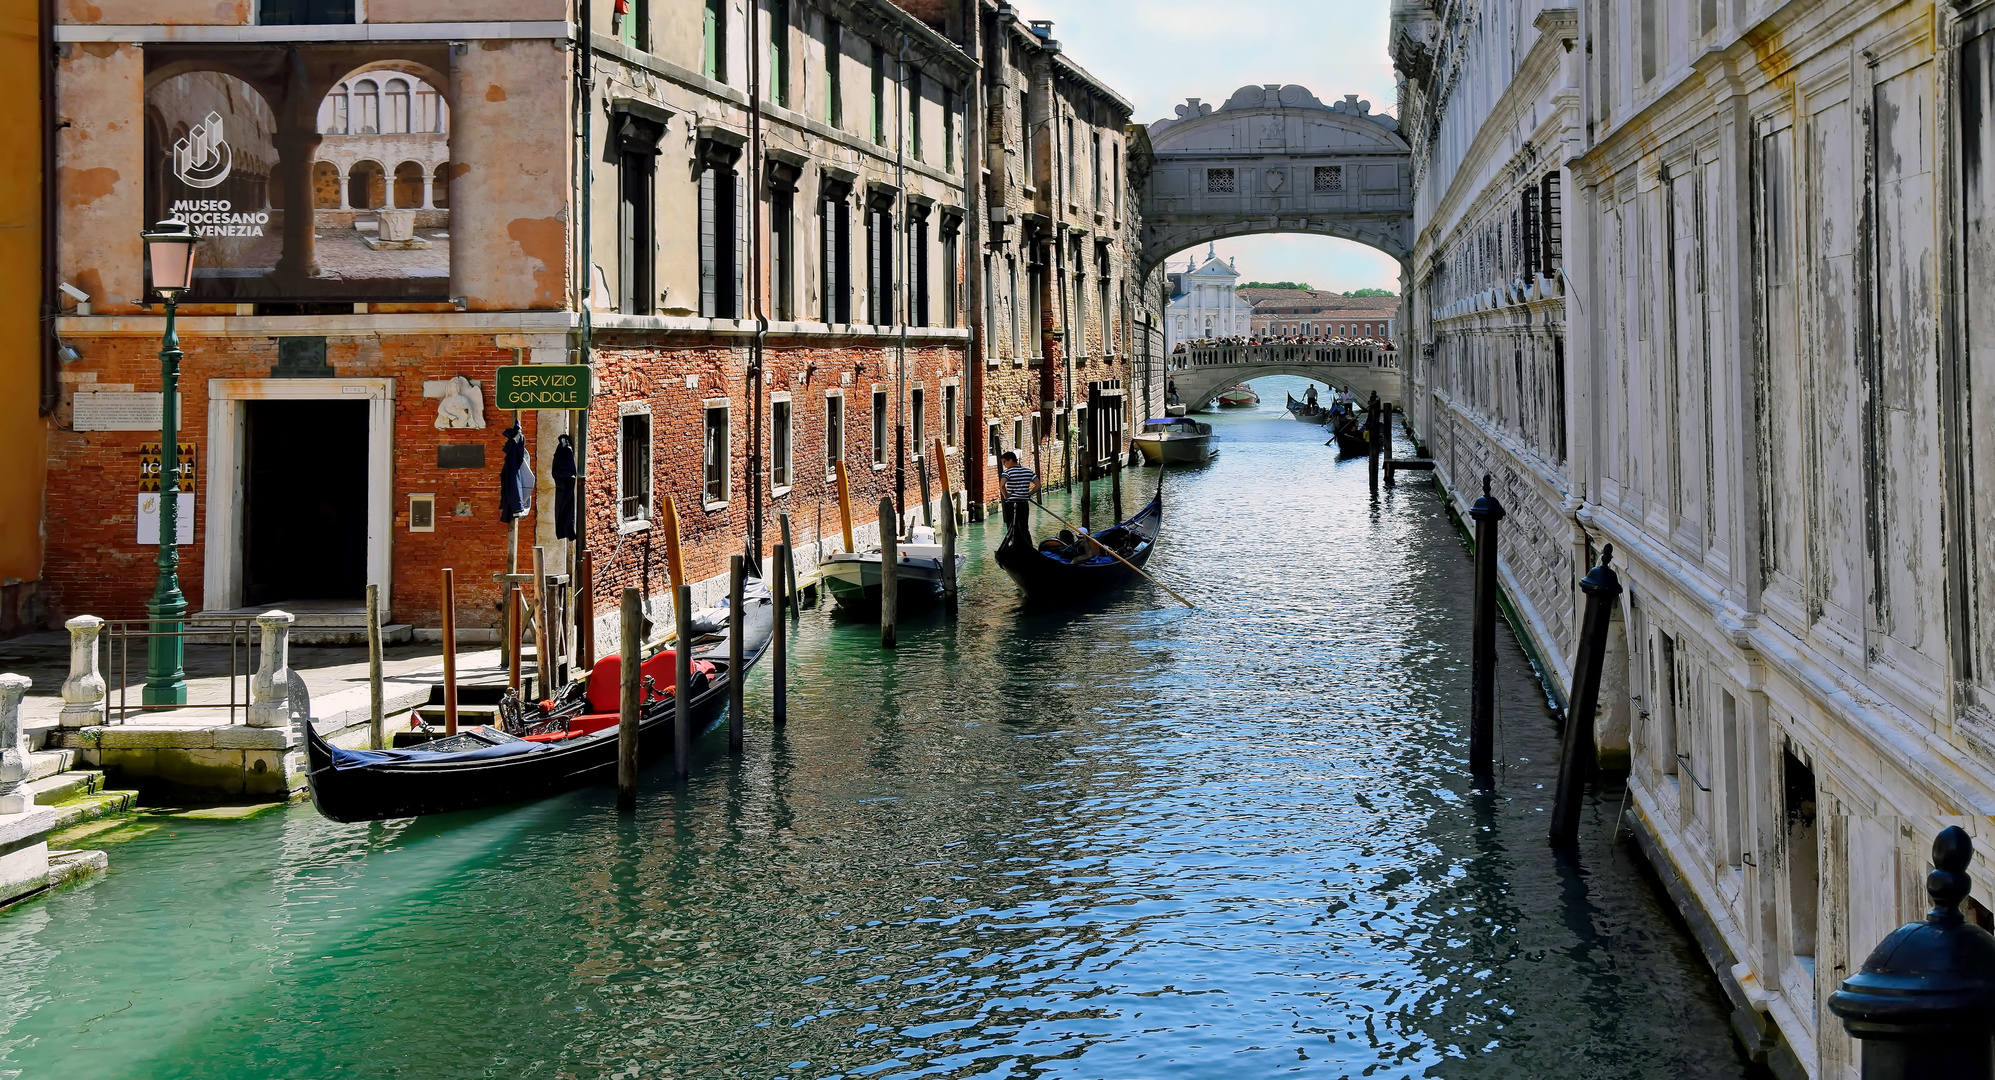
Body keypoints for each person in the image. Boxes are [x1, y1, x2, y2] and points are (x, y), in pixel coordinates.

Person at [1000, 450, 1037, 540]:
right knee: (1024, 527)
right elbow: (1038, 485)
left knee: (1011, 528)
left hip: (1011, 504)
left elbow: (1002, 485)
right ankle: (1026, 545)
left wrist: (1006, 495)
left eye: (1004, 462)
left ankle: (1014, 544)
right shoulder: (1028, 471)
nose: (1004, 465)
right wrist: (1028, 494)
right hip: (1023, 503)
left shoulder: (1007, 472)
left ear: (1010, 460)